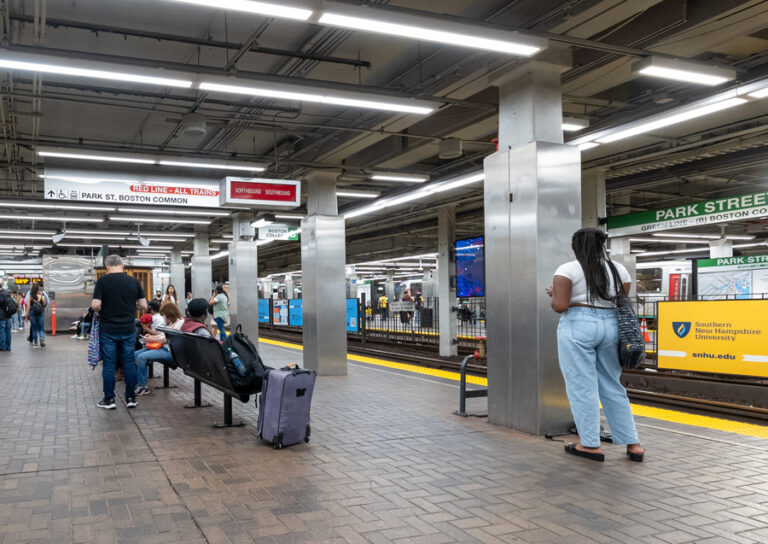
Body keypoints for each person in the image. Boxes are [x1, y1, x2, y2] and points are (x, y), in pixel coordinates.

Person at [548, 228, 644, 463]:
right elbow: (619, 300)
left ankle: (590, 445)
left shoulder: (568, 269)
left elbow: (560, 306)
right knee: (612, 385)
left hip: (578, 325)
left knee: (582, 386)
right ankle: (633, 444)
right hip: (611, 326)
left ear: (575, 247)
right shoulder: (618, 269)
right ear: (603, 245)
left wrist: (555, 294)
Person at [92, 254, 148, 410]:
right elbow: (143, 305)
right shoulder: (134, 281)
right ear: (122, 266)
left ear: (107, 267)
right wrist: (131, 306)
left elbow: (96, 305)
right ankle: (131, 398)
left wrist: (107, 308)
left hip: (108, 330)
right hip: (128, 329)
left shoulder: (102, 281)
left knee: (109, 365)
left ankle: (109, 400)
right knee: (129, 363)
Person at [134, 302, 184, 395]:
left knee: (141, 357)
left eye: (164, 314)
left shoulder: (180, 322)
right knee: (134, 355)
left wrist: (150, 339)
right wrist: (151, 338)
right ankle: (137, 382)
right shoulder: (173, 322)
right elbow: (163, 336)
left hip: (170, 352)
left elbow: (166, 339)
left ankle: (143, 386)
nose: (163, 316)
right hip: (163, 348)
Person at [26, 284, 47, 348]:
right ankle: (41, 338)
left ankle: (35, 344)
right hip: (41, 314)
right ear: (38, 290)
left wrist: (27, 316)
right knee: (41, 329)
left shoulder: (29, 298)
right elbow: (45, 304)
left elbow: (28, 307)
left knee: (34, 329)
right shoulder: (42, 297)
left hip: (32, 314)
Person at [0, 284, 16, 351]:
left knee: (1, 331)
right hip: (8, 315)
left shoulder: (1, 294)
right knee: (7, 331)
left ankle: (2, 346)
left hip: (1, 315)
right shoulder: (7, 293)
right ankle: (8, 346)